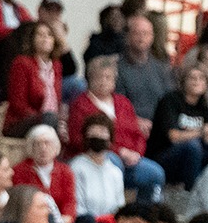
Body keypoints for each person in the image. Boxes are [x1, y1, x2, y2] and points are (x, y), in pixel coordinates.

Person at [67, 55, 163, 202]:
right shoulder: (81, 105)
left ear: (114, 80)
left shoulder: (123, 102)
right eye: (99, 77)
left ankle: (144, 212)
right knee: (113, 163)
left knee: (156, 173)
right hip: (98, 158)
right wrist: (120, 152)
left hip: (131, 159)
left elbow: (138, 134)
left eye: (108, 77)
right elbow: (77, 139)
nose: (103, 81)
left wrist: (136, 153)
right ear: (90, 79)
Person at [149, 64, 208, 189]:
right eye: (192, 78)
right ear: (184, 81)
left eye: (201, 78)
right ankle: (191, 191)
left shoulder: (204, 106)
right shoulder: (170, 100)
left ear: (206, 84)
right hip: (163, 156)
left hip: (191, 158)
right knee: (192, 146)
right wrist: (202, 130)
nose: (197, 82)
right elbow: (174, 137)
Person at [115, 13, 177, 136]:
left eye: (146, 33)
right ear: (127, 36)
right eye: (136, 33)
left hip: (160, 129)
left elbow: (170, 101)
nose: (141, 38)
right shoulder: (117, 68)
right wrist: (134, 120)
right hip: (128, 128)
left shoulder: (161, 69)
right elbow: (116, 103)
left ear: (152, 37)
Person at [4, 21, 65, 137]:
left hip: (49, 119)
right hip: (21, 122)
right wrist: (40, 117)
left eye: (49, 35)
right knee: (49, 118)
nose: (45, 38)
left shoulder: (57, 66)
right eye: (40, 34)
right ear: (32, 39)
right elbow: (18, 104)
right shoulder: (22, 63)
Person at [11, 124, 76, 223]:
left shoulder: (65, 171)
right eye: (38, 144)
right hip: (31, 221)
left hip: (59, 222)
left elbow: (69, 201)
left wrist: (66, 218)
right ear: (31, 147)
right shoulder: (19, 171)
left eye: (47, 143)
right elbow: (19, 201)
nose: (43, 148)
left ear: (55, 147)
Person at [70, 114, 129, 219]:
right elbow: (77, 206)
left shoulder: (115, 172)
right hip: (86, 222)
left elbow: (119, 205)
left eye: (102, 132)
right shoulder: (77, 167)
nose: (98, 137)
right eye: (94, 133)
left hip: (110, 222)